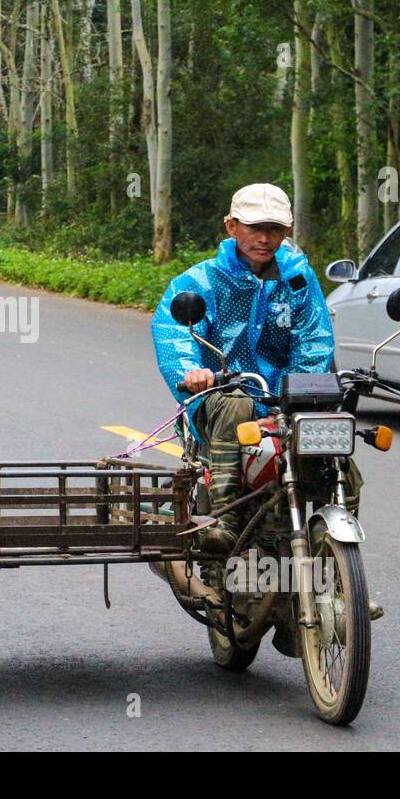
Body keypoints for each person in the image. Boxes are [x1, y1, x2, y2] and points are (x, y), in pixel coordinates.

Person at [151, 183, 340, 554]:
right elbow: (173, 334)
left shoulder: (299, 280)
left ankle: (339, 571)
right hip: (218, 397)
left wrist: (299, 390)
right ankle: (224, 518)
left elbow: (315, 338)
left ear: (287, 231)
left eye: (275, 229)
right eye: (255, 227)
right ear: (231, 227)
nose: (265, 238)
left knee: (335, 449)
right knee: (235, 403)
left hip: (282, 401)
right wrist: (192, 371)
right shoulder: (199, 282)